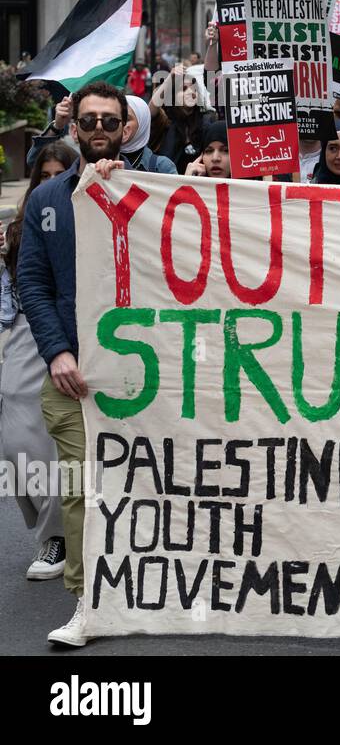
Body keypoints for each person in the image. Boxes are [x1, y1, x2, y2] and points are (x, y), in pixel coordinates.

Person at [17, 79, 130, 647]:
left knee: (150, 486)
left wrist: (122, 190)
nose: (100, 131)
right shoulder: (46, 199)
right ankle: (87, 602)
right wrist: (56, 351)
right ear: (74, 127)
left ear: (126, 129)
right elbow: (32, 281)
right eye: (90, 122)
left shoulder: (150, 189)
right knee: (82, 490)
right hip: (74, 377)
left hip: (143, 377)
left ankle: (158, 591)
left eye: (110, 122)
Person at [0, 141, 77, 583]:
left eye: (58, 176)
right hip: (29, 336)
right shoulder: (17, 229)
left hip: (82, 330)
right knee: (19, 446)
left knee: (70, 448)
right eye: (42, 177)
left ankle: (59, 538)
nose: (51, 184)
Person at [155, 63, 216, 172]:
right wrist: (170, 78)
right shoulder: (165, 120)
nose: (191, 92)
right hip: (170, 185)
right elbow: (152, 108)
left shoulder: (207, 119)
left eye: (194, 89)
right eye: (184, 89)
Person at [121, 95, 178, 173]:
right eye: (115, 119)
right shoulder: (102, 157)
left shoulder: (162, 166)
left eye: (126, 119)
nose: (120, 124)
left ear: (142, 124)